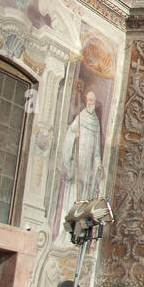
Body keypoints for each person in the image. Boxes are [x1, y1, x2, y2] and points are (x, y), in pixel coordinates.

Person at [58, 89, 103, 232]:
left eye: (92, 101)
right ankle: (67, 227)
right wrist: (74, 135)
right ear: (86, 101)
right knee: (73, 193)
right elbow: (69, 134)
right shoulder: (80, 117)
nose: (90, 103)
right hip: (78, 163)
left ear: (95, 104)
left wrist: (99, 164)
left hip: (88, 167)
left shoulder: (96, 123)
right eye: (88, 100)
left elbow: (96, 150)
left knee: (84, 196)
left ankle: (78, 229)